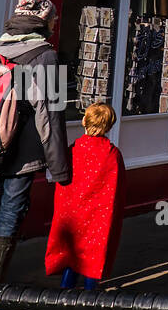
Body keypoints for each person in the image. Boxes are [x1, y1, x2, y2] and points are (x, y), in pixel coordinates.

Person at [0, 0, 71, 285]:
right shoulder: (46, 55)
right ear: (43, 21)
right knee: (9, 215)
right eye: (53, 19)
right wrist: (60, 168)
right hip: (21, 153)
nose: (55, 24)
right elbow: (51, 115)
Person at [45, 102, 125, 290]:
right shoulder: (111, 154)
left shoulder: (74, 149)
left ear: (83, 121)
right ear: (109, 126)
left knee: (72, 252)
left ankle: (66, 290)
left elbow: (63, 180)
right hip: (99, 214)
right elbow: (117, 186)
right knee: (93, 253)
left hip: (72, 211)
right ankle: (90, 293)